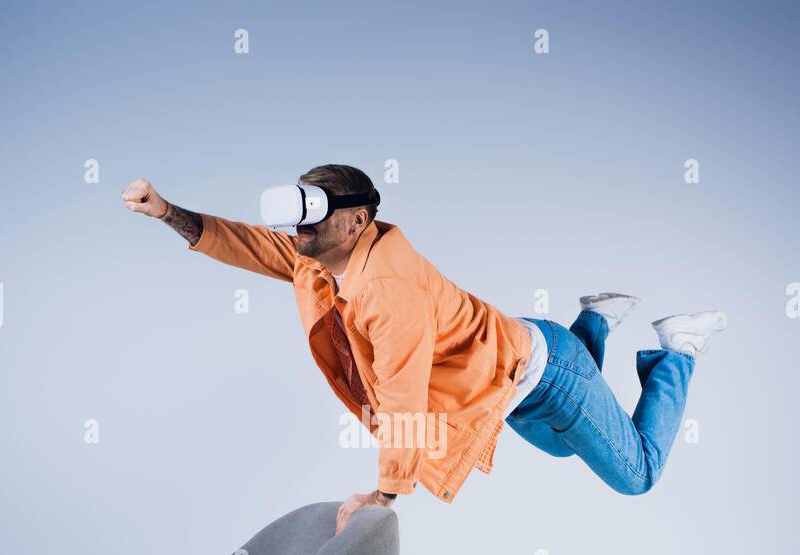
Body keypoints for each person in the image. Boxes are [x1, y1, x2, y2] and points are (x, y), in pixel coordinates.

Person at [123, 164, 726, 533]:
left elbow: (403, 401)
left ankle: (679, 348)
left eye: (311, 219)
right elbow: (251, 245)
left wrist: (384, 496)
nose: (297, 233)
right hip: (505, 376)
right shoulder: (325, 258)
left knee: (637, 474)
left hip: (542, 373)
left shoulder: (389, 293)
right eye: (297, 221)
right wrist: (168, 212)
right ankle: (595, 317)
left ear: (357, 221)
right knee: (567, 450)